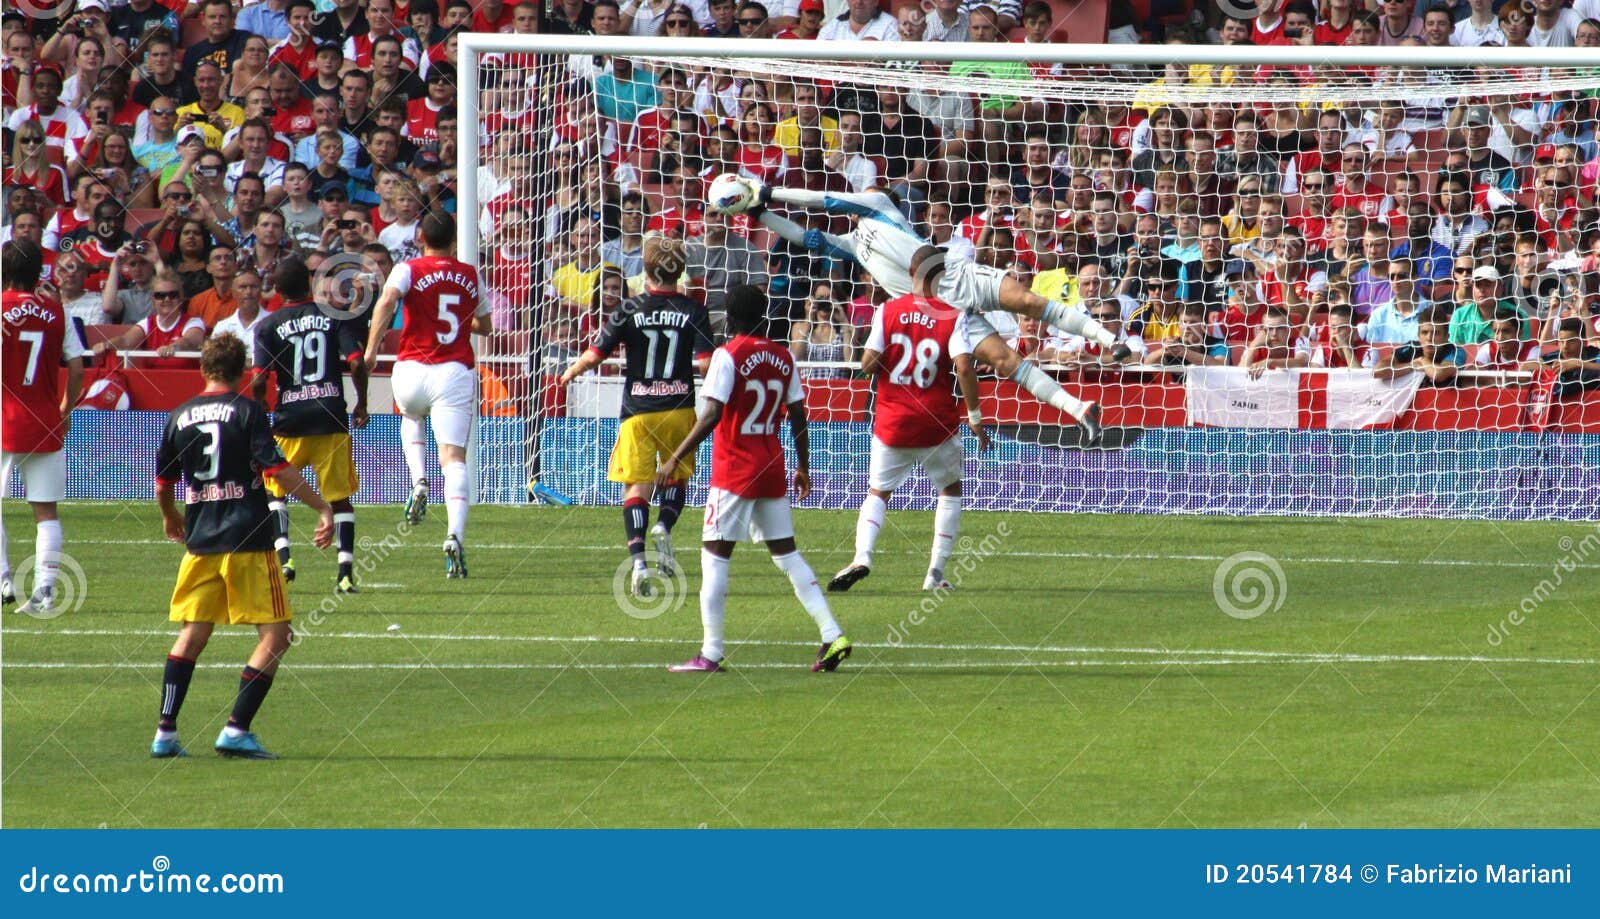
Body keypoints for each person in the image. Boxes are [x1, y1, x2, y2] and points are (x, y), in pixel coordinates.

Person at [724, 179, 1124, 443]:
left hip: (956, 278)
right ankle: (1079, 409)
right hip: (944, 314)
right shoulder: (852, 244)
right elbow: (804, 236)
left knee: (1029, 302)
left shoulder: (880, 207)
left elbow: (823, 200)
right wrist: (758, 213)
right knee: (1006, 360)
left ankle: (1110, 339)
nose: (855, 198)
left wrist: (769, 191)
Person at [152, 333, 335, 760]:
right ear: (241, 372)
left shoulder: (179, 415)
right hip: (249, 539)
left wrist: (169, 515)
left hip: (200, 542)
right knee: (277, 635)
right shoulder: (248, 412)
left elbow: (164, 480)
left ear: (203, 369)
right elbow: (279, 471)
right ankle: (235, 729)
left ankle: (165, 731)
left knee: (192, 634)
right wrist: (322, 508)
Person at [657, 284, 852, 674]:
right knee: (787, 555)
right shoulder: (783, 357)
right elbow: (798, 413)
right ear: (763, 315)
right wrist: (803, 465)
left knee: (714, 557)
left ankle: (710, 652)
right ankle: (833, 634)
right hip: (772, 466)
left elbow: (711, 414)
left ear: (729, 318)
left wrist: (675, 457)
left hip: (734, 471)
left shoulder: (727, 357)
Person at [559, 236, 714, 596]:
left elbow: (596, 354)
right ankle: (665, 526)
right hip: (679, 409)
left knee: (637, 486)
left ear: (644, 271)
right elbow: (706, 364)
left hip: (638, 412)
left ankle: (639, 563)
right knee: (675, 475)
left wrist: (571, 371)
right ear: (680, 271)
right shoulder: (694, 311)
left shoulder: (628, 309)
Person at [830, 247, 990, 594]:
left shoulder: (887, 310)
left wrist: (885, 353)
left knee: (878, 492)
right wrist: (975, 416)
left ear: (910, 271)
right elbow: (964, 366)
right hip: (937, 423)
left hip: (893, 422)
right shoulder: (953, 315)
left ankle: (862, 557)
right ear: (941, 275)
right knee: (949, 491)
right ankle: (934, 572)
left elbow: (867, 365)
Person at [364, 214, 491, 578]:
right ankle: (454, 535)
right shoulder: (469, 274)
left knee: (411, 416)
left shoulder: (407, 269)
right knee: (454, 459)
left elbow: (387, 301)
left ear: (420, 237)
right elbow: (487, 326)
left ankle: (419, 480)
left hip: (412, 369)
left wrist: (372, 348)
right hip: (453, 371)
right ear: (455, 239)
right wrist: (464, 319)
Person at [252, 258, 370, 593]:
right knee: (341, 498)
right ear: (308, 283)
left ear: (276, 290)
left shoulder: (268, 325)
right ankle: (345, 573)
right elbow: (357, 362)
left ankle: (285, 559)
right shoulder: (335, 316)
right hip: (330, 416)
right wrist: (361, 400)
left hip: (290, 419)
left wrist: (262, 407)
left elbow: (258, 380)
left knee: (276, 490)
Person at [1, 242, 87, 614]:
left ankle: (5, 580)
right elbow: (79, 367)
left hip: (4, 420)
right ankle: (46, 590)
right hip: (45, 420)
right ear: (40, 270)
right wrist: (65, 408)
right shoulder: (56, 311)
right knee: (46, 512)